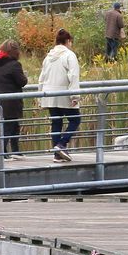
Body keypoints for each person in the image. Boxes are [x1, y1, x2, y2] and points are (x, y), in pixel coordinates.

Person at [38, 28, 81, 162]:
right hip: (64, 93)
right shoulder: (69, 55)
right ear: (68, 41)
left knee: (56, 122)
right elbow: (73, 76)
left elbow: (42, 77)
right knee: (75, 119)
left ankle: (57, 155)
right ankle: (61, 144)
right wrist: (75, 96)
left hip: (49, 93)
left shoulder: (48, 57)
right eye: (70, 42)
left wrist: (40, 96)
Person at [0, 39, 28, 159]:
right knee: (10, 127)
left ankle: (13, 151)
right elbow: (22, 82)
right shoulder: (15, 65)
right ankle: (4, 152)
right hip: (11, 102)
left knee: (11, 126)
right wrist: (24, 75)